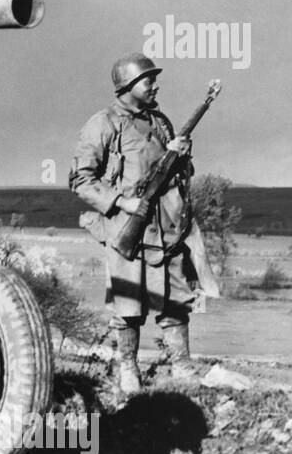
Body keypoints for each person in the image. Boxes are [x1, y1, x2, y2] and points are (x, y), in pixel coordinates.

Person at [70, 53, 201, 396]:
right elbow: (81, 180)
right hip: (126, 229)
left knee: (175, 298)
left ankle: (182, 365)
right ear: (128, 86)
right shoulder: (102, 124)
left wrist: (181, 154)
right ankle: (129, 369)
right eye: (148, 80)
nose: (155, 85)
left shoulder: (161, 122)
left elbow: (179, 174)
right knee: (128, 304)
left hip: (166, 229)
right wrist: (122, 202)